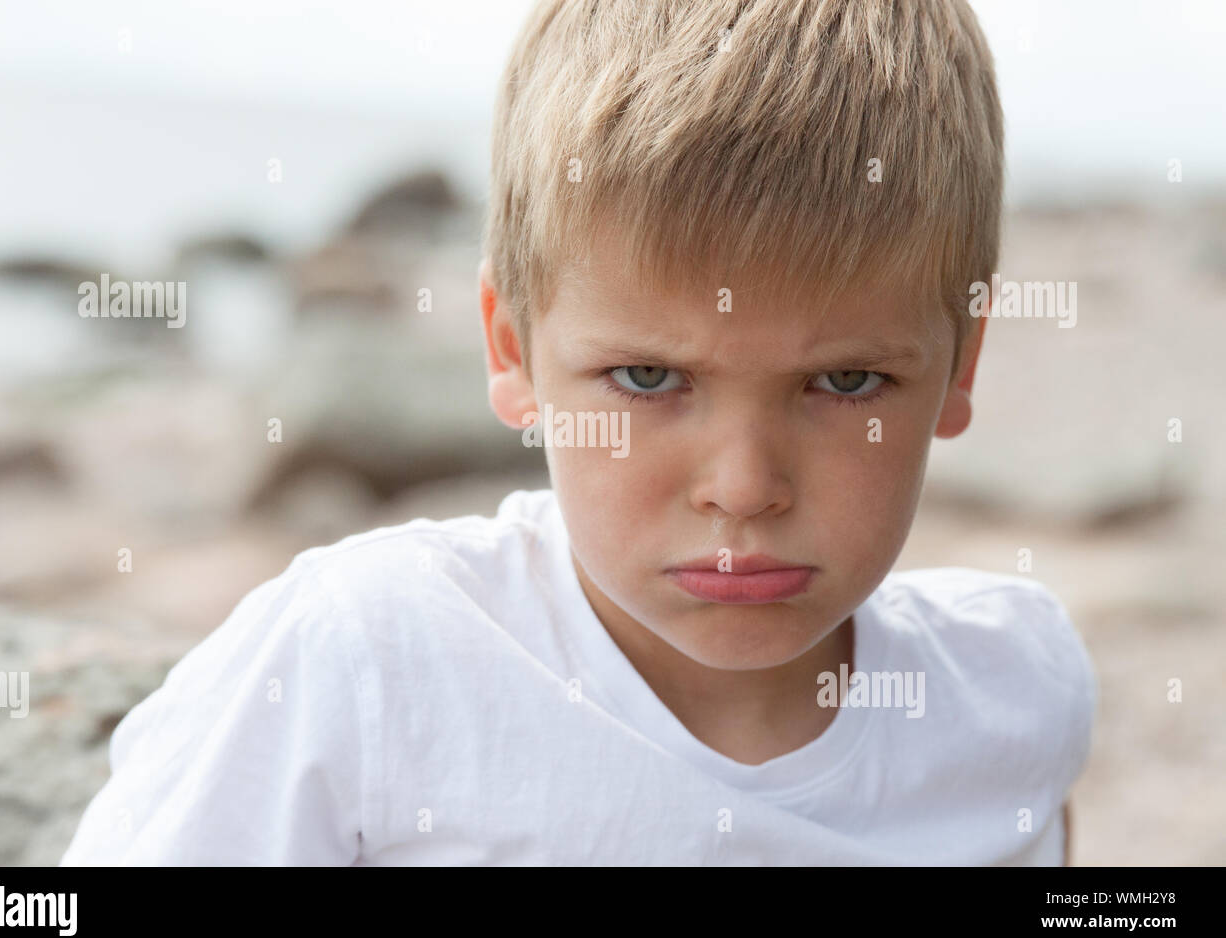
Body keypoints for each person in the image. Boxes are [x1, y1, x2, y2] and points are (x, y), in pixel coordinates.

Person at [61, 0, 1096, 866]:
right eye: (647, 377)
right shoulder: (361, 664)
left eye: (846, 379)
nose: (742, 487)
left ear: (960, 364)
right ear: (511, 349)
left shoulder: (1011, 695)